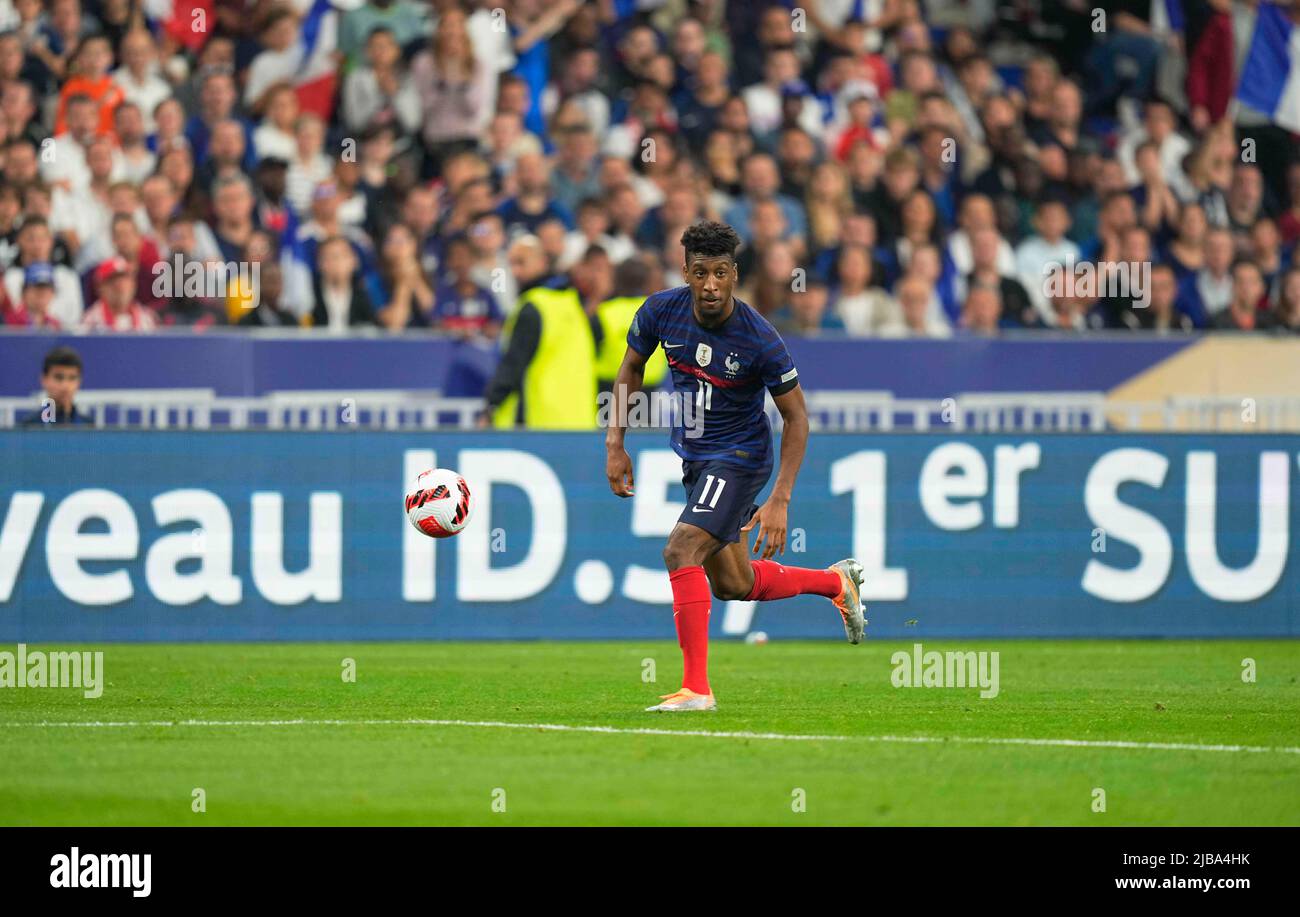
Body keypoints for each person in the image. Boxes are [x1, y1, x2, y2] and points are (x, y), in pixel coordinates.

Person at [604, 221, 866, 713]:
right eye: (700, 272)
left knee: (680, 551)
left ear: (734, 274)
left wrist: (780, 498)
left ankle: (696, 689)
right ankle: (836, 583)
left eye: (720, 273)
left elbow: (796, 417)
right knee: (732, 584)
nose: (709, 285)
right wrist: (615, 441)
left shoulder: (759, 338)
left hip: (742, 458)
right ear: (685, 270)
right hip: (697, 461)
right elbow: (631, 369)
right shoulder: (661, 311)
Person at [22, 345, 90, 426]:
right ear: (44, 380)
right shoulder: (28, 428)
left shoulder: (90, 428)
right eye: (58, 377)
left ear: (79, 382)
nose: (65, 386)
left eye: (72, 378)